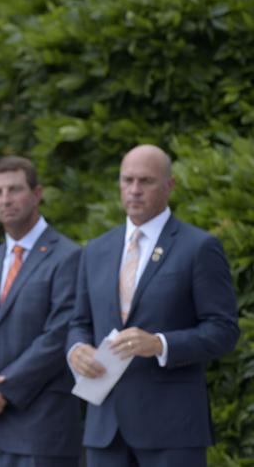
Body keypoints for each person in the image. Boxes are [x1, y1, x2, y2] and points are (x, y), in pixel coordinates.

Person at [66, 144, 240, 466]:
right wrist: (76, 350)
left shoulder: (199, 247)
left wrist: (160, 344)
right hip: (105, 429)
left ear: (170, 185)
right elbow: (80, 322)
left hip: (172, 429)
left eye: (146, 181)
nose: (134, 190)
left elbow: (224, 330)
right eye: (127, 180)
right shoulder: (95, 250)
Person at [0, 156, 82, 467]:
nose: (5, 199)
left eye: (15, 189)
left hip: (40, 431)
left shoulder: (70, 257)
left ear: (37, 193)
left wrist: (2, 390)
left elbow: (59, 335)